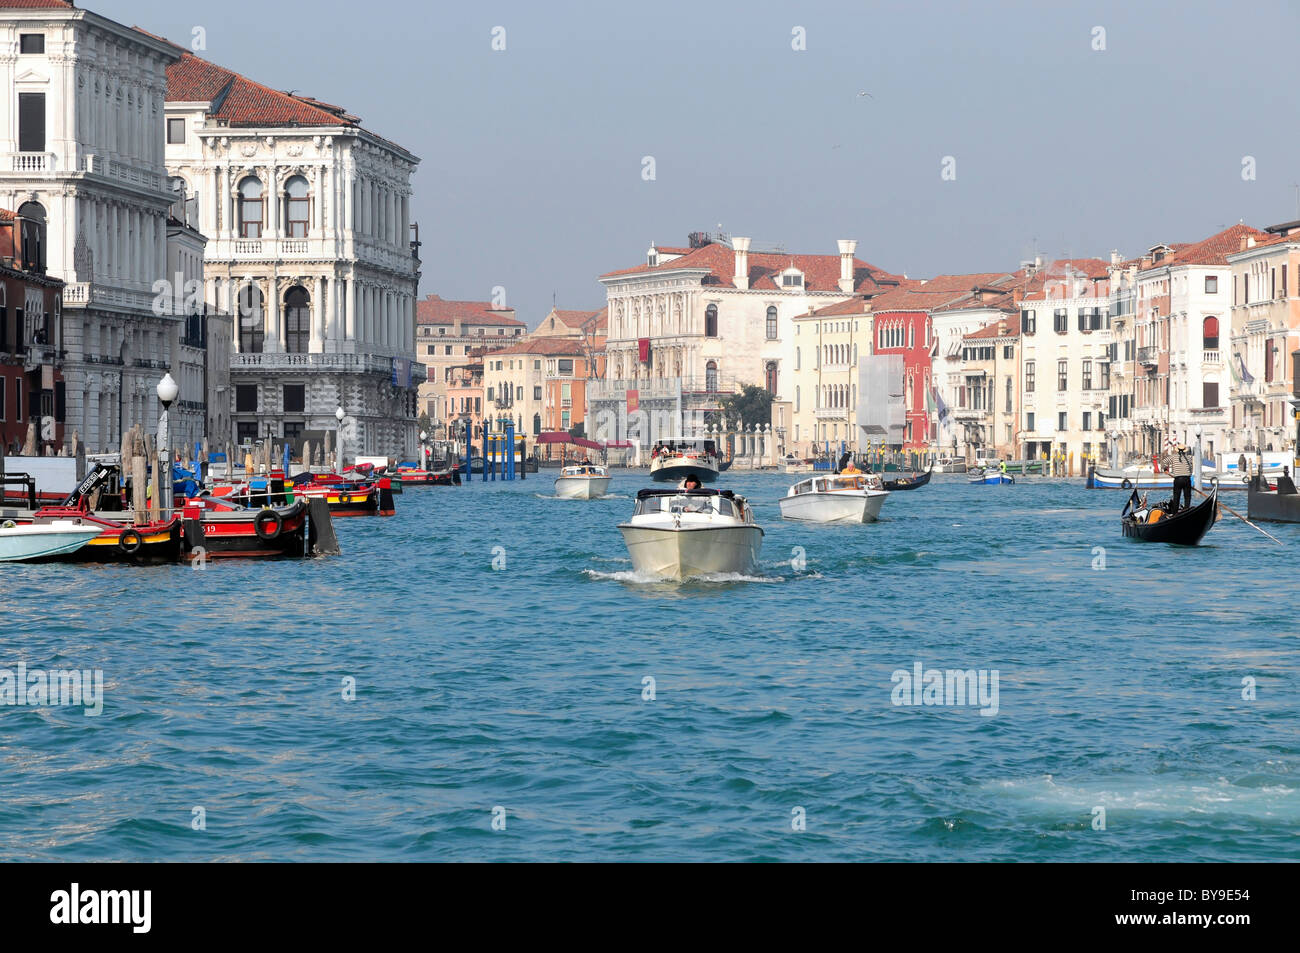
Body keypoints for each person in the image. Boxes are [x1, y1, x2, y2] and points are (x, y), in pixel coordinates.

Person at [1160, 442, 1193, 512]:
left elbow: (1163, 462)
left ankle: (1175, 513)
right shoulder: (1189, 458)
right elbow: (1191, 470)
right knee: (1187, 497)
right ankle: (1186, 511)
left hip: (1178, 479)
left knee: (1176, 497)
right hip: (1187, 479)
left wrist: (1165, 469)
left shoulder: (1173, 457)